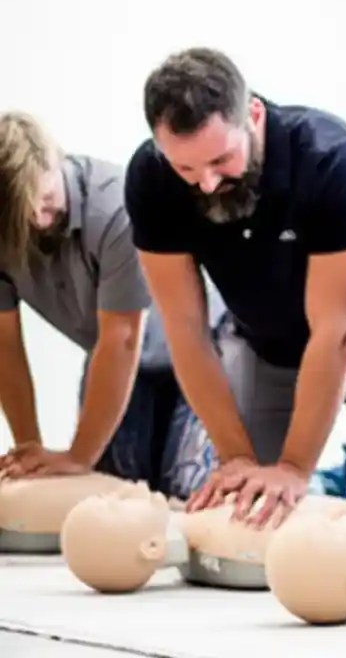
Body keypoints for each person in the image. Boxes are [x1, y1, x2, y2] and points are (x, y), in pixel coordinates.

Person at [123, 47, 346, 528]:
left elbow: (336, 331)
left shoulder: (334, 161)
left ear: (253, 114)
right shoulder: (152, 179)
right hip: (266, 345)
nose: (208, 184)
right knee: (249, 513)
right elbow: (185, 327)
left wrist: (296, 467)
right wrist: (237, 458)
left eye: (221, 159)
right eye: (187, 170)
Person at [0, 111, 219, 498]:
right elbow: (5, 346)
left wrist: (78, 456)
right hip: (117, 359)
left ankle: (331, 481)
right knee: (114, 495)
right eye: (23, 211)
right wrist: (29, 451)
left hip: (202, 350)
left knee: (187, 487)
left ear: (58, 161)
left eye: (47, 200)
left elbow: (122, 337)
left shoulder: (117, 205)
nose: (37, 218)